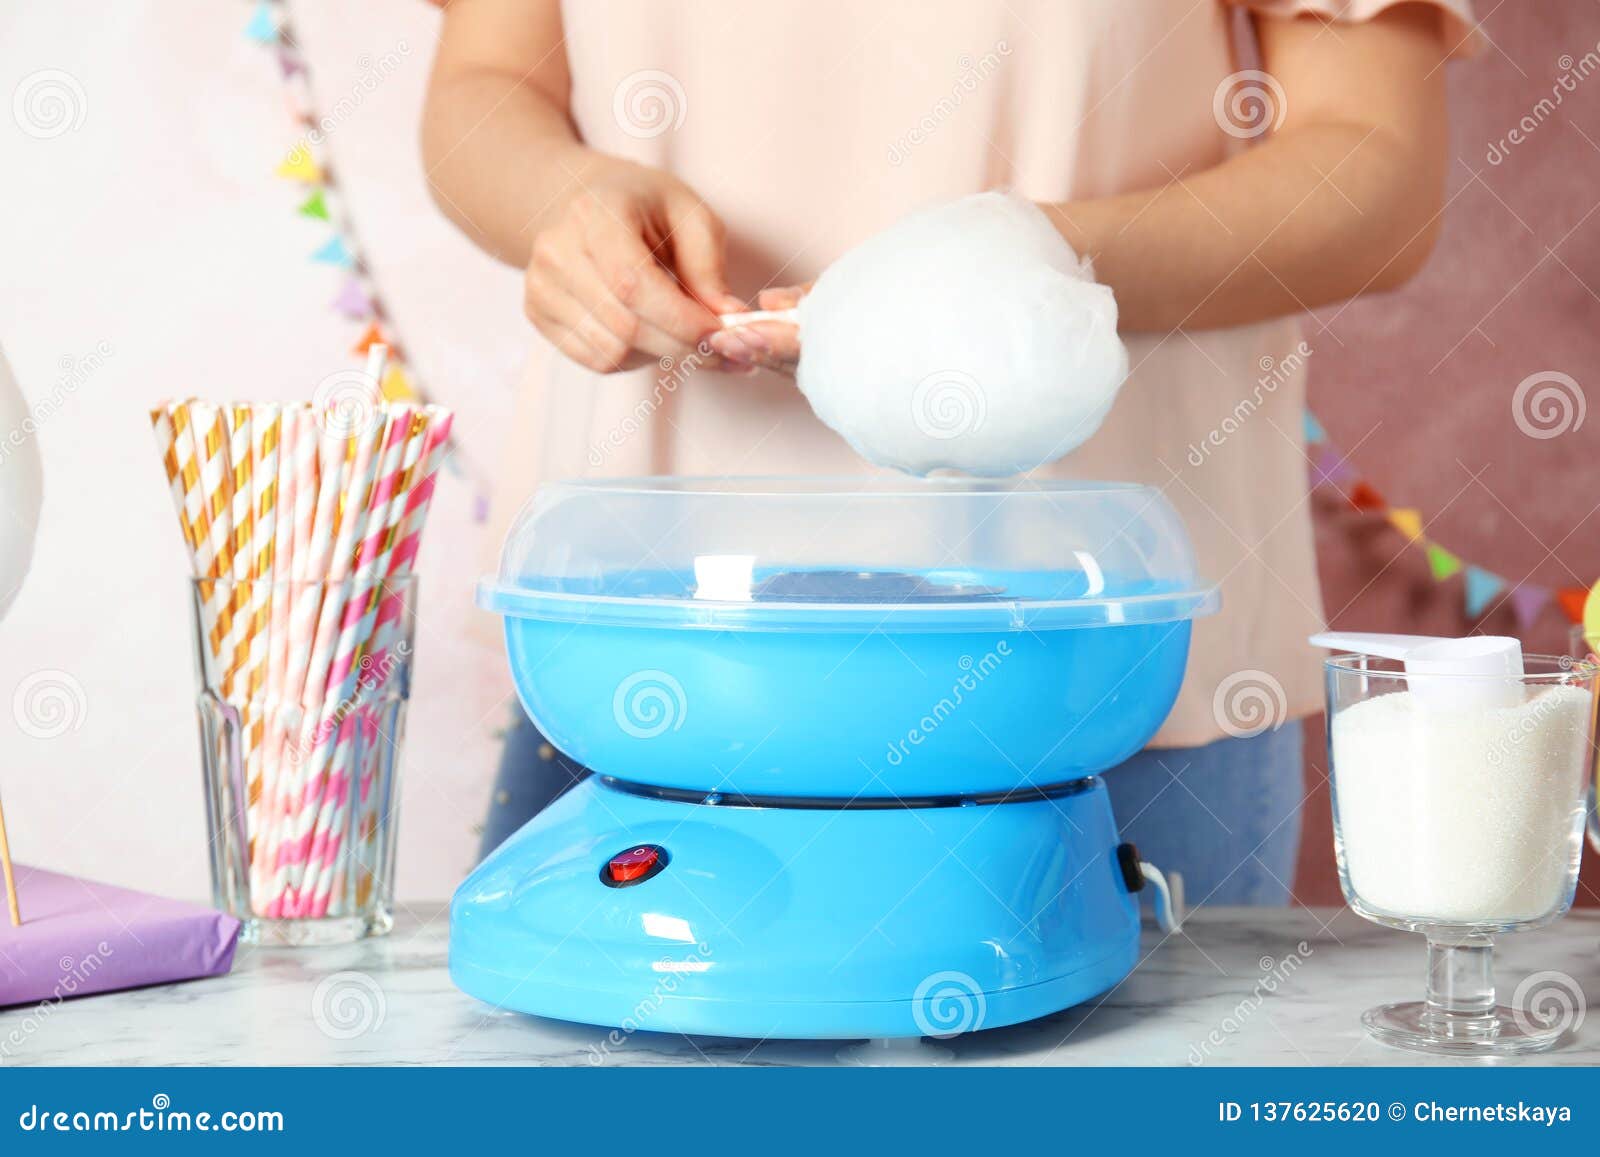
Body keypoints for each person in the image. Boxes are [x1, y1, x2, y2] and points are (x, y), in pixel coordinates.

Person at [421, 0, 1478, 903]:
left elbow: (1374, 167)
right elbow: (489, 81)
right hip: (629, 652)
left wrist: (1032, 262)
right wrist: (560, 202)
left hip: (1107, 665)